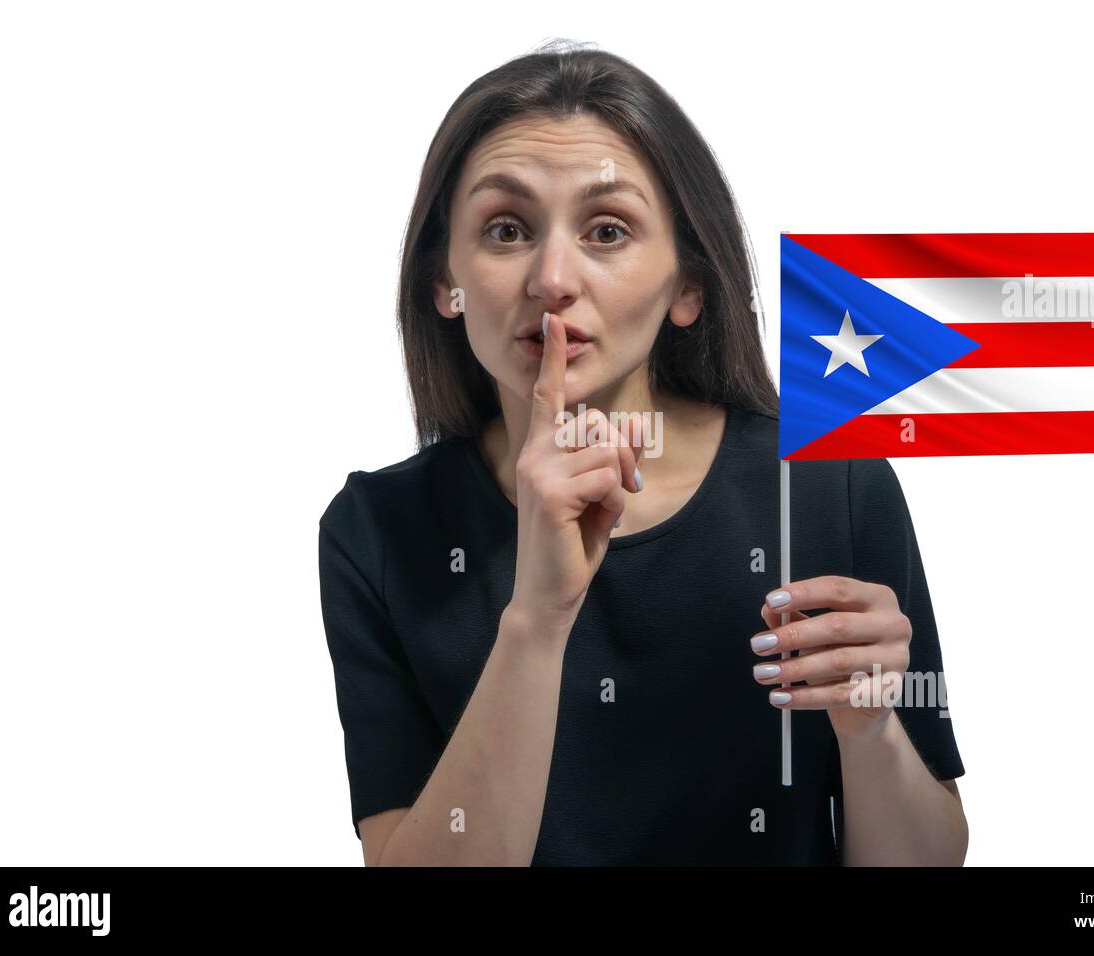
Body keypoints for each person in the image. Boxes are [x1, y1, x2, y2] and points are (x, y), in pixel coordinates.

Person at [318, 41, 968, 866]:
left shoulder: (828, 484)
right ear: (444, 282)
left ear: (688, 286)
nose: (553, 278)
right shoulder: (377, 531)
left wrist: (871, 730)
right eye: (507, 228)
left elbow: (930, 857)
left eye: (608, 229)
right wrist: (537, 619)